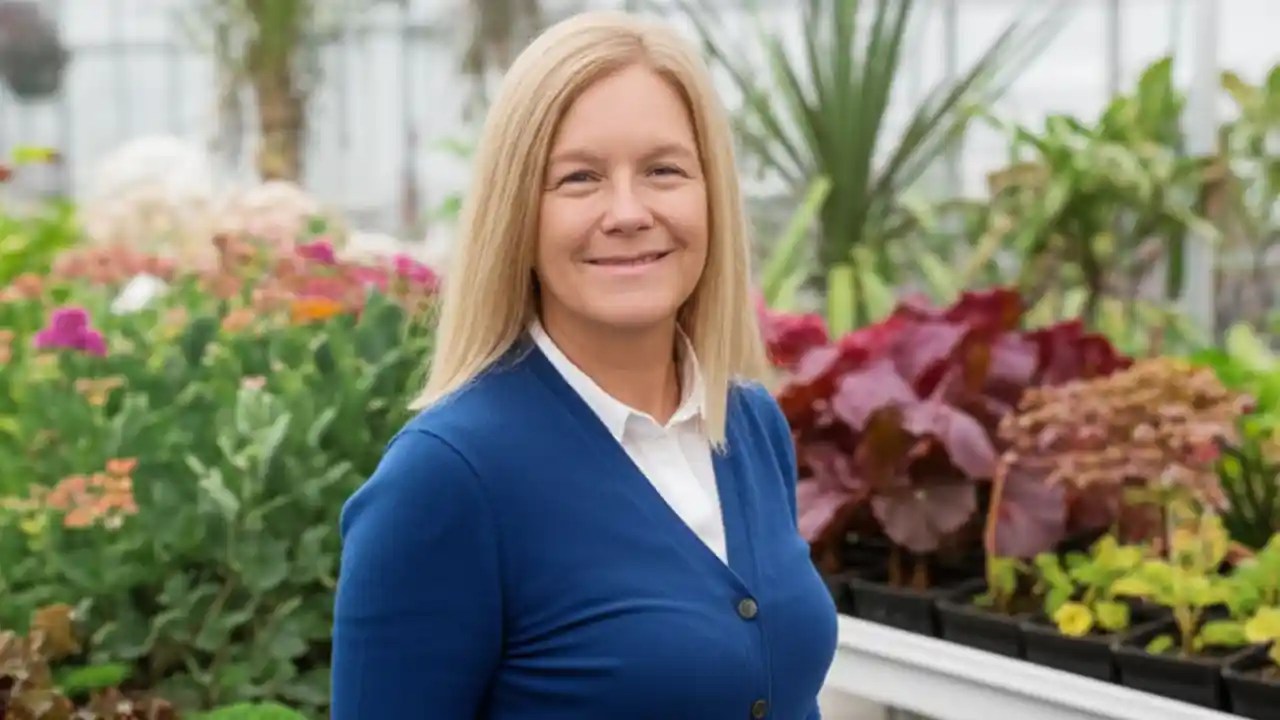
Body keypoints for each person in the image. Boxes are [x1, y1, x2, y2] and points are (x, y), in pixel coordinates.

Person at [331, 9, 838, 719]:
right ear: (517, 215)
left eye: (664, 170)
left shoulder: (749, 424)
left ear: (711, 194)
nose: (628, 211)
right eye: (578, 179)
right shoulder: (446, 480)